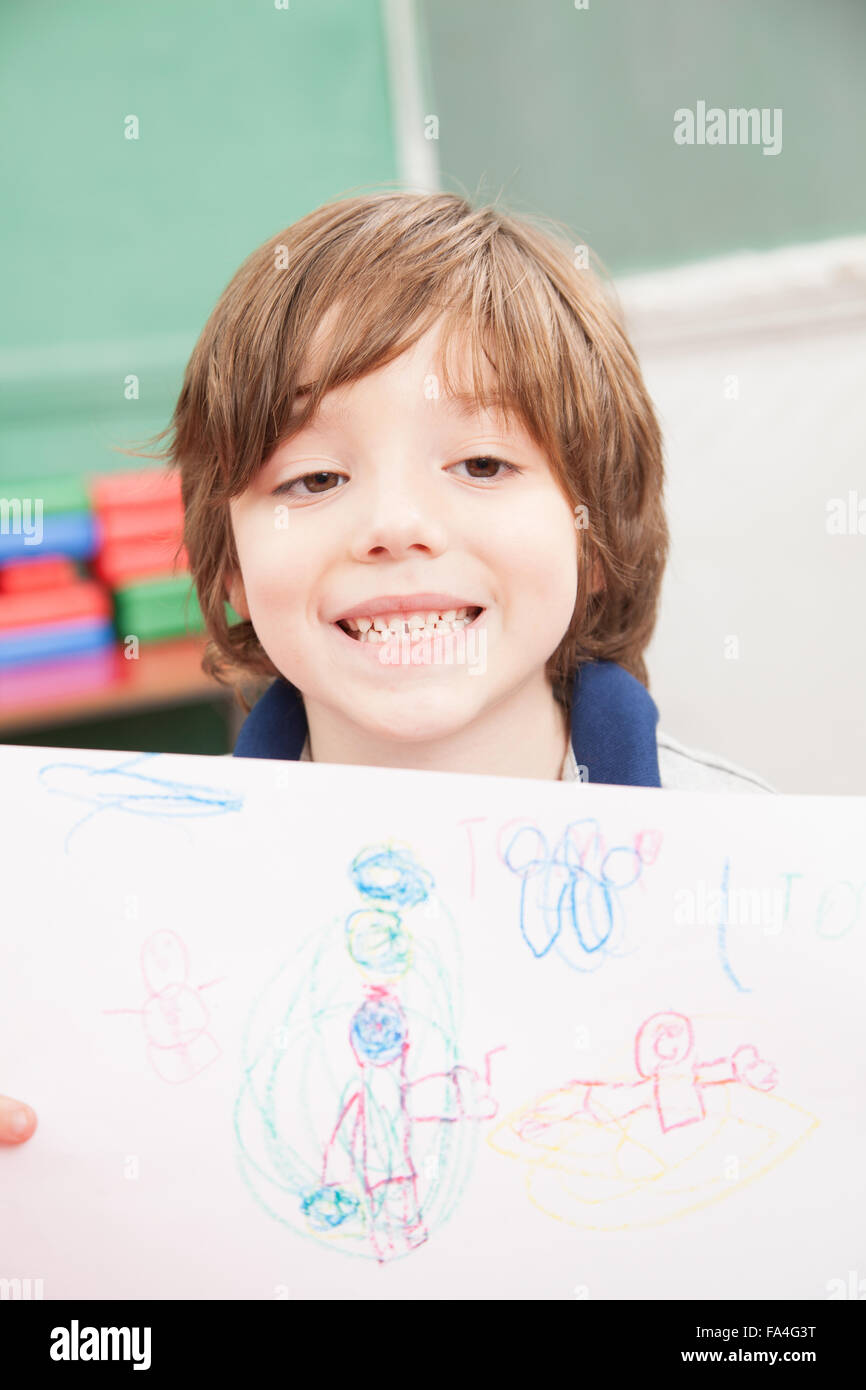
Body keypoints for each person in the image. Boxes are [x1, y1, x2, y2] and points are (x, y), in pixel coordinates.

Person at [1, 189, 772, 1146]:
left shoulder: (770, 887)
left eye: (483, 464)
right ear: (230, 560)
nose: (395, 526)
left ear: (595, 532)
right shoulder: (110, 920)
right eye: (315, 479)